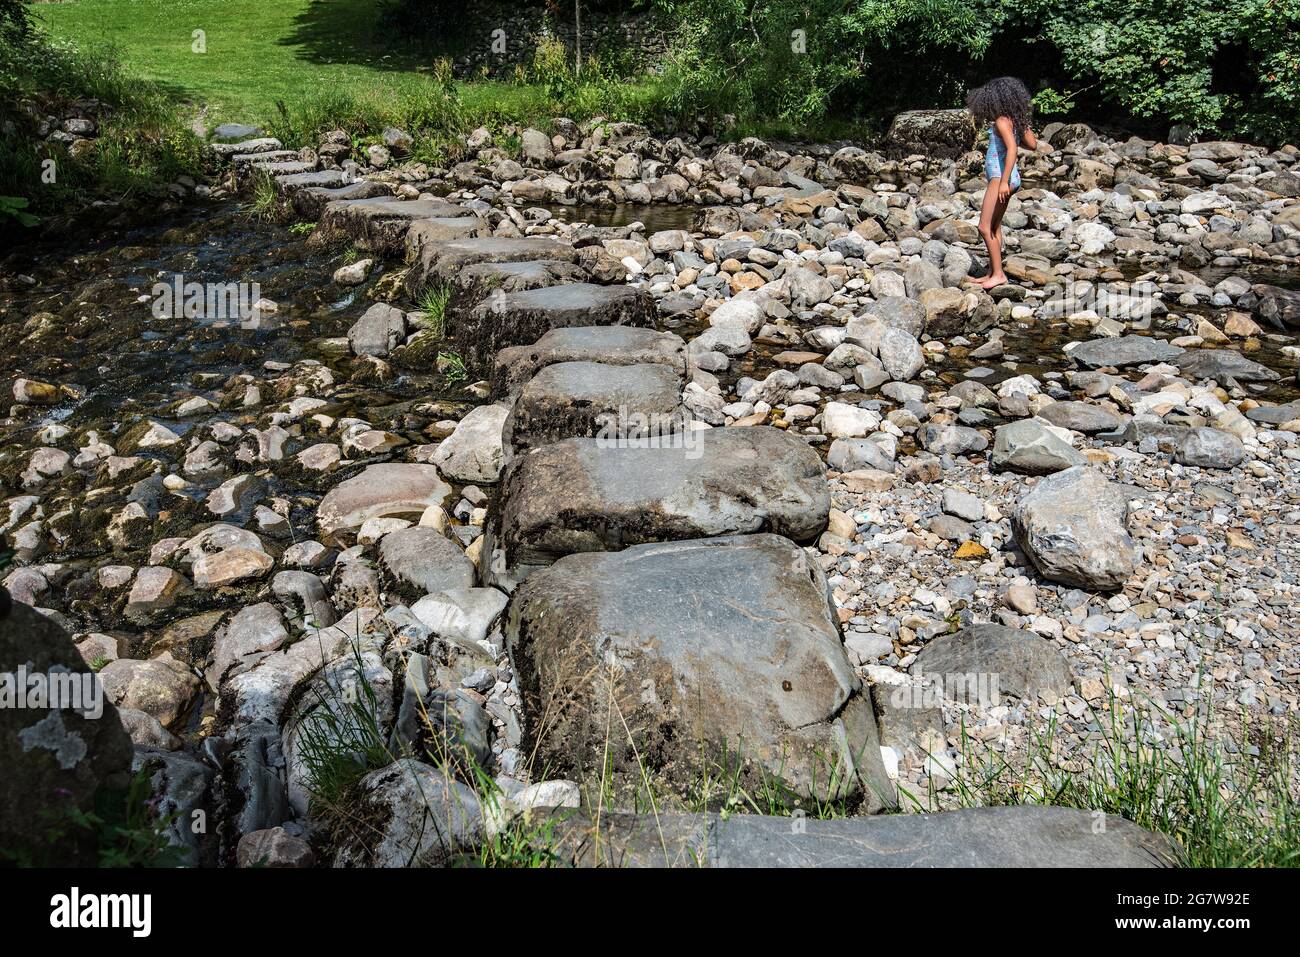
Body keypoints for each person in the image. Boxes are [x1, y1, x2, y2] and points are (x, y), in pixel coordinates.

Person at [965, 77, 1038, 289]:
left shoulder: (1000, 121)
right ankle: (992, 271)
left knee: (984, 227)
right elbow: (1032, 144)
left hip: (1000, 178)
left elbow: (1013, 150)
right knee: (995, 227)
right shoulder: (1014, 120)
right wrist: (1022, 122)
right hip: (1010, 178)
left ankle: (998, 274)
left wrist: (1004, 182)